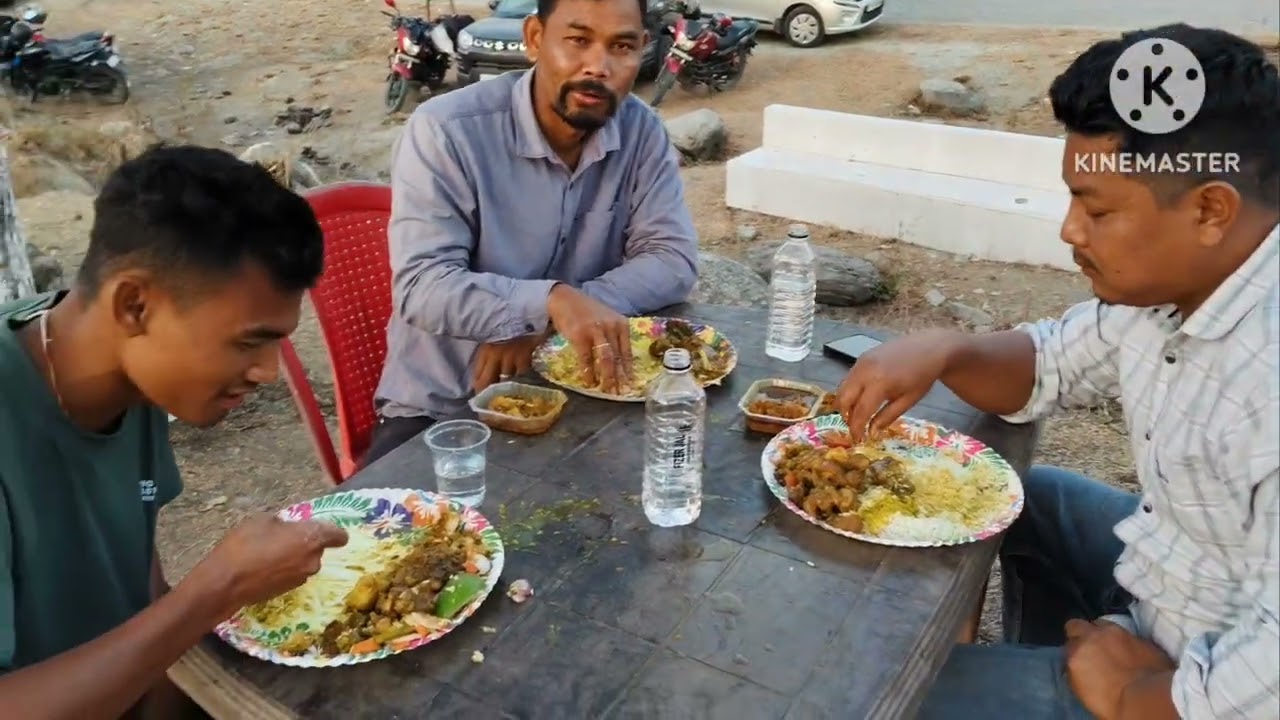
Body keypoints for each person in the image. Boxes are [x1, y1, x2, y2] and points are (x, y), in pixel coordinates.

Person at [833, 25, 1279, 720]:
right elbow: (1047, 361)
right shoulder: (1172, 290)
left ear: (1209, 209)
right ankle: (1044, 663)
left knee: (870, 701)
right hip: (1175, 578)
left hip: (1208, 675)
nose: (1071, 230)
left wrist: (1131, 696)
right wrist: (945, 348)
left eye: (1096, 209)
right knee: (1022, 496)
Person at [0, 144, 350, 719]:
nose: (268, 371)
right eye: (248, 341)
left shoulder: (130, 372)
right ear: (135, 305)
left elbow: (141, 581)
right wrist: (215, 591)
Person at [366, 0, 699, 466]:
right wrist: (551, 304)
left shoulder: (641, 132)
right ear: (536, 39)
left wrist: (552, 326)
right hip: (446, 408)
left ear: (643, 50)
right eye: (578, 40)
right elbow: (422, 287)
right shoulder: (447, 131)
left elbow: (672, 258)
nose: (598, 67)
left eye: (621, 46)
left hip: (580, 395)